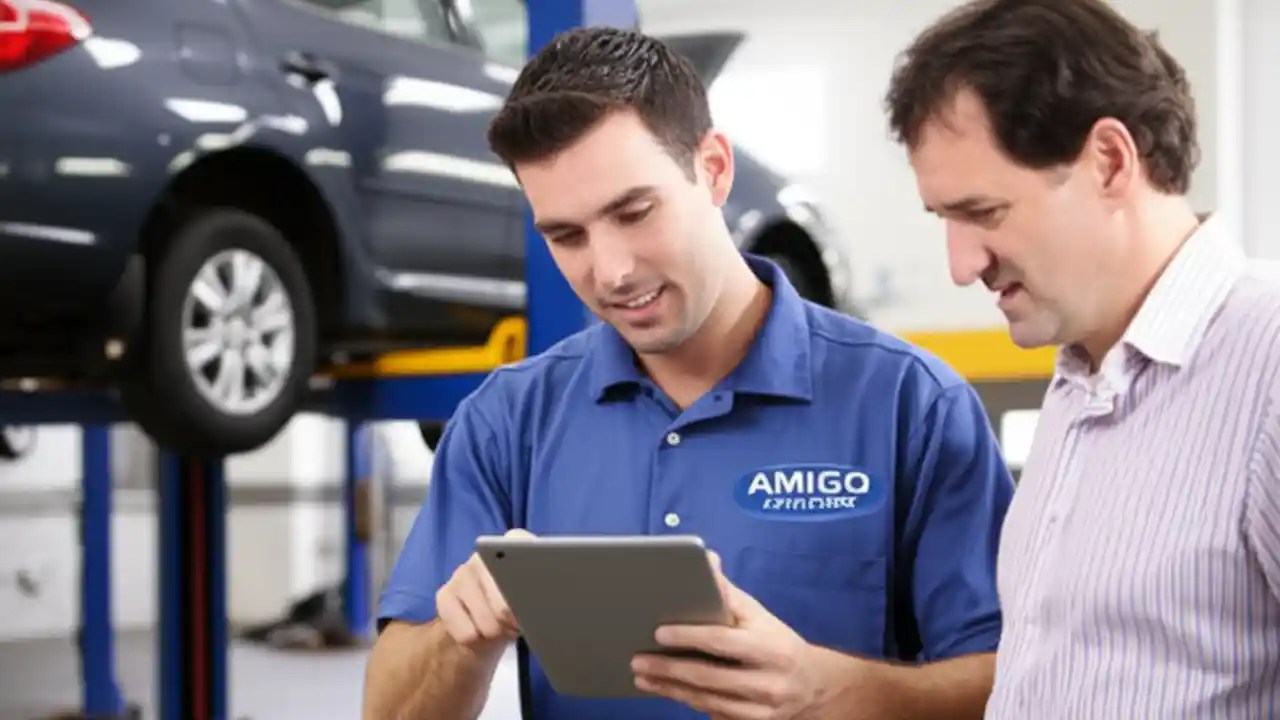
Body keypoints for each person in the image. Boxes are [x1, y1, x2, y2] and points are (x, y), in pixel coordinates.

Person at [362, 26, 1014, 720]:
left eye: (634, 212)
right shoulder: (505, 424)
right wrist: (462, 638)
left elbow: (1016, 686)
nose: (610, 271)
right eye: (566, 236)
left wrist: (833, 690)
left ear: (714, 169)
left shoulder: (909, 407)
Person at [884, 0, 1280, 716]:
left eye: (984, 213)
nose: (960, 263)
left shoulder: (1268, 365)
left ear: (1109, 161)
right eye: (946, 221)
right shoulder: (1080, 380)